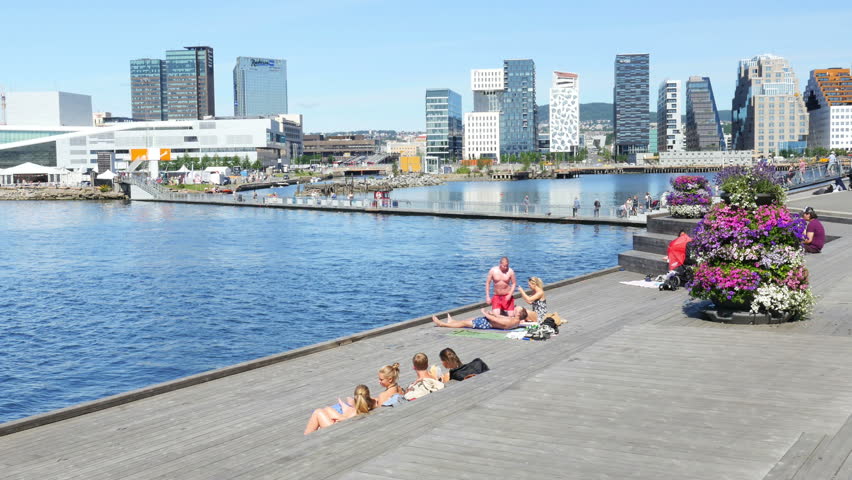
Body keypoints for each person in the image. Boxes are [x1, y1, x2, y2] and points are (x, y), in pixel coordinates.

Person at [304, 384, 375, 435]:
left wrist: (341, 416)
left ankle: (307, 437)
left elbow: (343, 417)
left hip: (337, 433)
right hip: (345, 430)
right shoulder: (371, 406)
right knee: (328, 410)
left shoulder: (351, 411)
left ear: (355, 397)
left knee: (318, 412)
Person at [431, 307, 531, 330]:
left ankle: (443, 324)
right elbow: (502, 318)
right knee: (467, 320)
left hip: (487, 323)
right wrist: (493, 314)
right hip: (488, 322)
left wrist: (485, 313)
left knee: (465, 324)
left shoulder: (512, 320)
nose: (514, 309)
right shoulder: (516, 321)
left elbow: (496, 321)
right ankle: (452, 321)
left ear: (518, 313)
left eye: (516, 309)